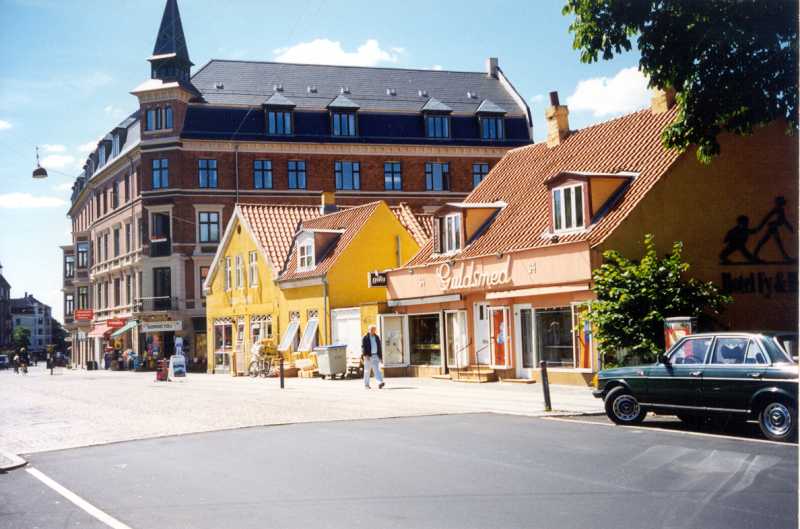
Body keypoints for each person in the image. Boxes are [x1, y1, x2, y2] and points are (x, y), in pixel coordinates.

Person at [361, 325, 385, 389]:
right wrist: (365, 355)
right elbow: (363, 347)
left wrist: (380, 357)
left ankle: (380, 383)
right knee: (367, 371)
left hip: (375, 355)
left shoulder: (377, 337)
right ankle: (366, 385)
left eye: (374, 330)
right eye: (372, 330)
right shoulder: (365, 337)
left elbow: (379, 347)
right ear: (369, 330)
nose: (373, 331)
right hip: (368, 356)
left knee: (377, 370)